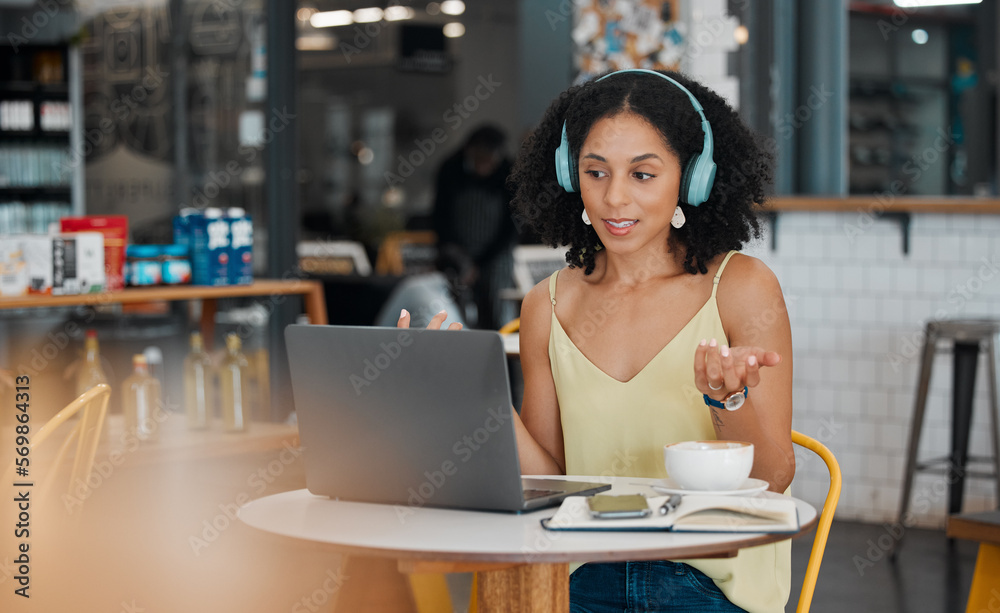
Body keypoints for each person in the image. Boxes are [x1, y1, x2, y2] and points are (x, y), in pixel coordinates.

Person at [403, 68, 793, 612]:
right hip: (585, 574)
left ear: (694, 177)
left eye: (642, 174)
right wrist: (473, 394)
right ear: (570, 176)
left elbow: (772, 478)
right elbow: (547, 485)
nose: (614, 198)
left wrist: (727, 399)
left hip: (707, 581)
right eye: (595, 171)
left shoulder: (741, 288)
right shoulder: (548, 305)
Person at [431, 124, 519, 330]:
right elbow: (440, 218)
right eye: (480, 158)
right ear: (469, 151)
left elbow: (511, 226)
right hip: (457, 255)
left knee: (499, 317)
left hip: (497, 258)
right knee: (455, 316)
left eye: (490, 159)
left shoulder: (509, 173)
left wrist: (480, 263)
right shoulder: (450, 169)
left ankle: (502, 360)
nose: (484, 165)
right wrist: (460, 260)